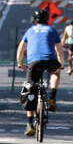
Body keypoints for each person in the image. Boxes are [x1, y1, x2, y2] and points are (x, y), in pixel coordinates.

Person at [16, 7, 62, 135]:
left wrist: (20, 63)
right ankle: (52, 97)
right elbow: (59, 49)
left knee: (29, 89)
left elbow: (21, 48)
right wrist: (61, 64)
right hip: (50, 60)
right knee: (56, 73)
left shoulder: (30, 31)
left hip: (34, 62)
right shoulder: (52, 30)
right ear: (48, 20)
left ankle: (30, 123)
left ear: (35, 20)